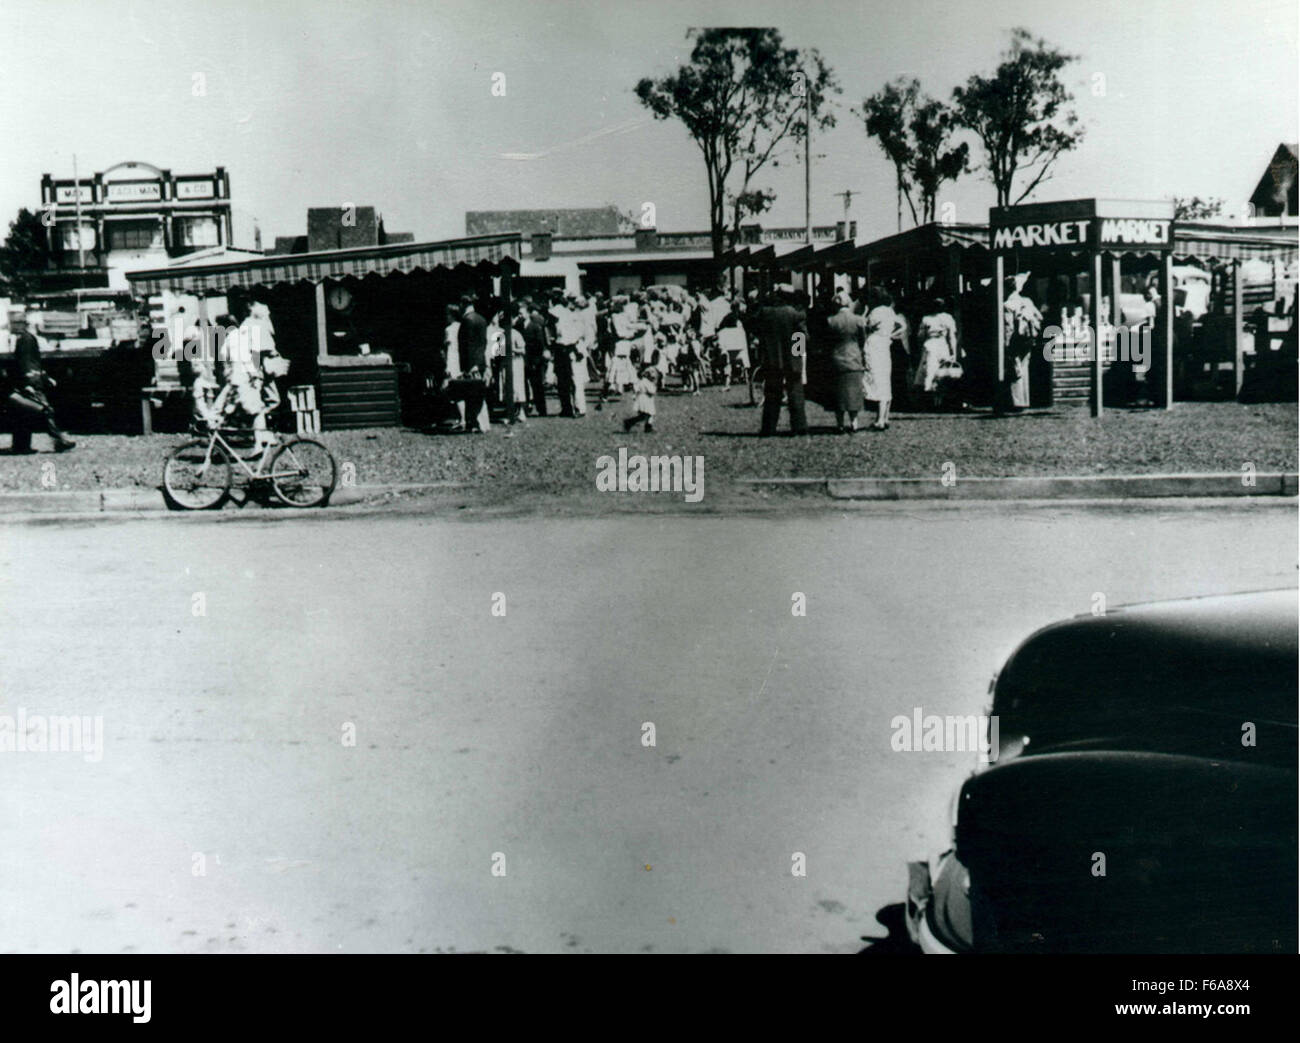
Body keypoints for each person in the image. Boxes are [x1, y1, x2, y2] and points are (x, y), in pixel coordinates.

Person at [5, 310, 75, 453]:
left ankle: (21, 446)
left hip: (30, 380)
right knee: (44, 410)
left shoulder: (24, 339)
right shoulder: (26, 339)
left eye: (15, 323)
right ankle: (59, 441)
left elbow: (30, 363)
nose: (12, 326)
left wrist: (39, 379)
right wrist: (33, 382)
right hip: (31, 382)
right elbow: (29, 363)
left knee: (24, 414)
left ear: (23, 324)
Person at [755, 285, 808, 436]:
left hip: (772, 359)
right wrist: (797, 356)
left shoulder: (765, 312)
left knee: (772, 393)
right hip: (792, 359)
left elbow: (755, 328)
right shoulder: (797, 314)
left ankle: (769, 427)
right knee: (795, 392)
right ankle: (799, 426)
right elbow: (803, 336)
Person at [861, 285, 903, 430]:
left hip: (874, 345)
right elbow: (902, 325)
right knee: (885, 379)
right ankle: (884, 417)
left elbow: (862, 325)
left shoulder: (875, 312)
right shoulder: (890, 311)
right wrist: (891, 335)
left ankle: (879, 419)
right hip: (885, 345)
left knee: (877, 380)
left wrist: (865, 312)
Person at [826, 291, 865, 433]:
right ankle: (854, 422)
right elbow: (862, 339)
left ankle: (840, 423)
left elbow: (827, 341)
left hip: (837, 358)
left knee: (839, 394)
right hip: (854, 356)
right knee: (854, 393)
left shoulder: (831, 321)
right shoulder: (858, 320)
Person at [1001, 277, 1042, 412]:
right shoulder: (1027, 301)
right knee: (1024, 368)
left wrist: (1005, 344)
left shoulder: (1007, 305)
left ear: (1006, 289)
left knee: (1014, 369)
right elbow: (1039, 317)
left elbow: (1009, 327)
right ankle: (1025, 400)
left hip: (1014, 341)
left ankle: (1016, 402)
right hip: (1028, 339)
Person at [913, 298, 960, 409]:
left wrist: (921, 348)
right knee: (942, 371)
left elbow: (920, 336)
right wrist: (953, 352)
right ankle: (939, 400)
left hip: (930, 344)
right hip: (942, 345)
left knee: (929, 371)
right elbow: (952, 336)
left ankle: (930, 398)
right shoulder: (947, 318)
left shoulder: (927, 319)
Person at [457, 293, 491, 432]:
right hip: (481, 359)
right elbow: (483, 342)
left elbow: (468, 344)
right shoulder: (482, 319)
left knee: (471, 393)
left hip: (471, 362)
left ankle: (476, 423)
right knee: (479, 392)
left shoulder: (467, 320)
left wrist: (471, 365)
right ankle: (481, 423)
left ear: (463, 304)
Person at [518, 298, 549, 417]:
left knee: (537, 385)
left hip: (534, 360)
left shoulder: (535, 327)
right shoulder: (519, 326)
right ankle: (525, 409)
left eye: (522, 313)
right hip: (524, 360)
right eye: (519, 313)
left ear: (527, 313)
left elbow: (540, 344)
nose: (520, 315)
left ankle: (542, 409)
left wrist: (537, 360)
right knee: (524, 385)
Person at [622, 360, 658, 433]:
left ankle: (646, 427)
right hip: (646, 399)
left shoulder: (641, 381)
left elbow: (635, 389)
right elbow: (652, 391)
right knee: (648, 414)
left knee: (646, 415)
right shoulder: (647, 382)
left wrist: (635, 395)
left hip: (642, 399)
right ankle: (630, 422)